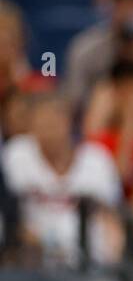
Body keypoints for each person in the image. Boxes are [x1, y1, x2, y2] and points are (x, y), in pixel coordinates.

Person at [1, 93, 122, 269]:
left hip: (90, 263)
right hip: (34, 261)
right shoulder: (16, 155)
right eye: (42, 123)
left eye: (54, 122)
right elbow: (8, 213)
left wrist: (113, 259)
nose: (48, 130)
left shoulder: (96, 159)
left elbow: (112, 217)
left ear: (68, 122)